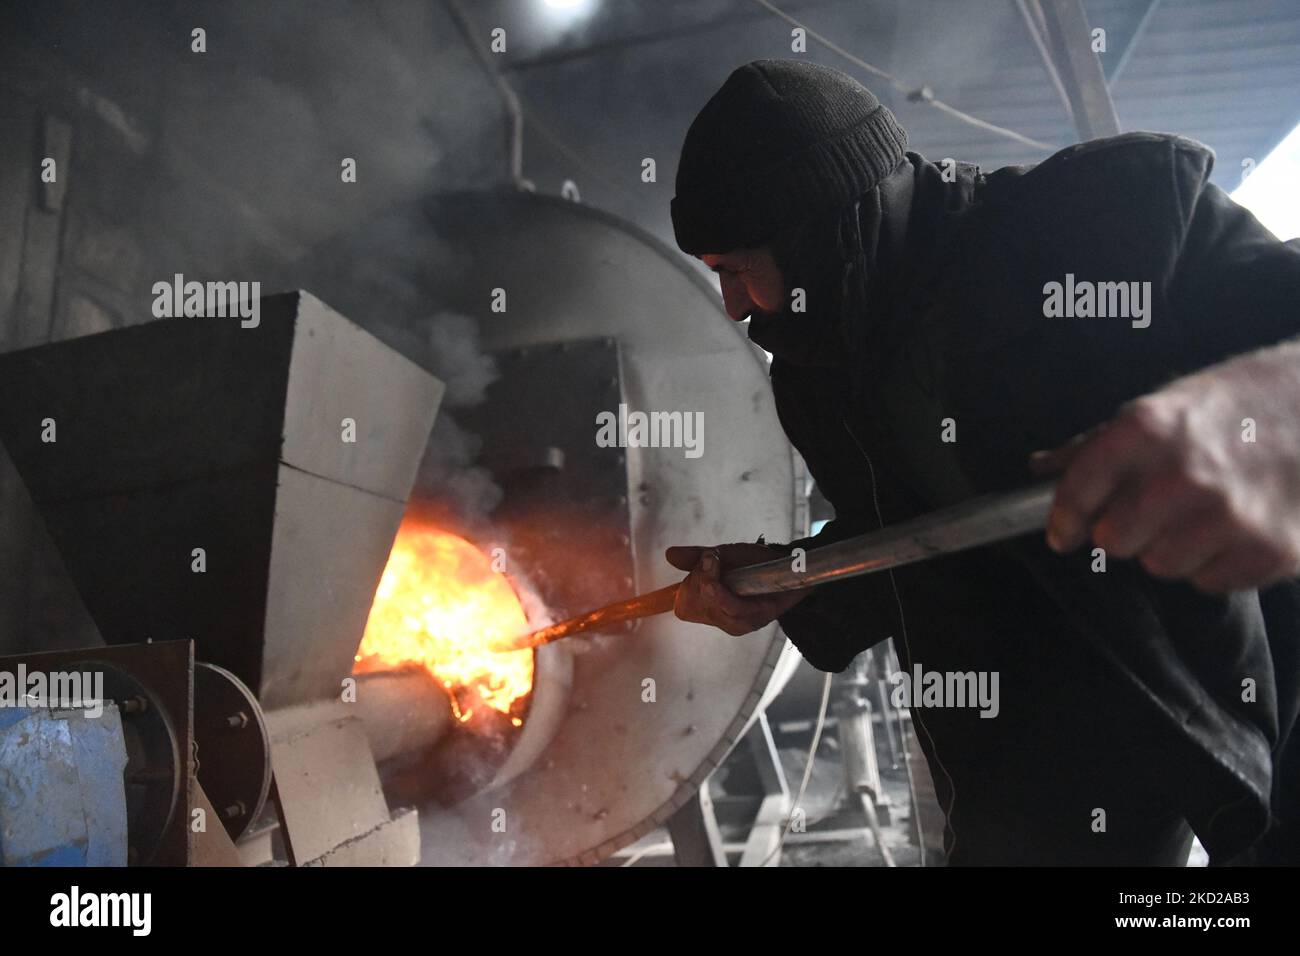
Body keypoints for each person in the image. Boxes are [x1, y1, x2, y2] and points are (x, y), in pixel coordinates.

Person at [666, 59, 1300, 865]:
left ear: (823, 229)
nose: (730, 305)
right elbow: (912, 538)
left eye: (735, 269)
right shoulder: (818, 371)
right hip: (1037, 732)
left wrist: (1267, 412)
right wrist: (790, 578)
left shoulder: (1108, 217)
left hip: (1236, 667)